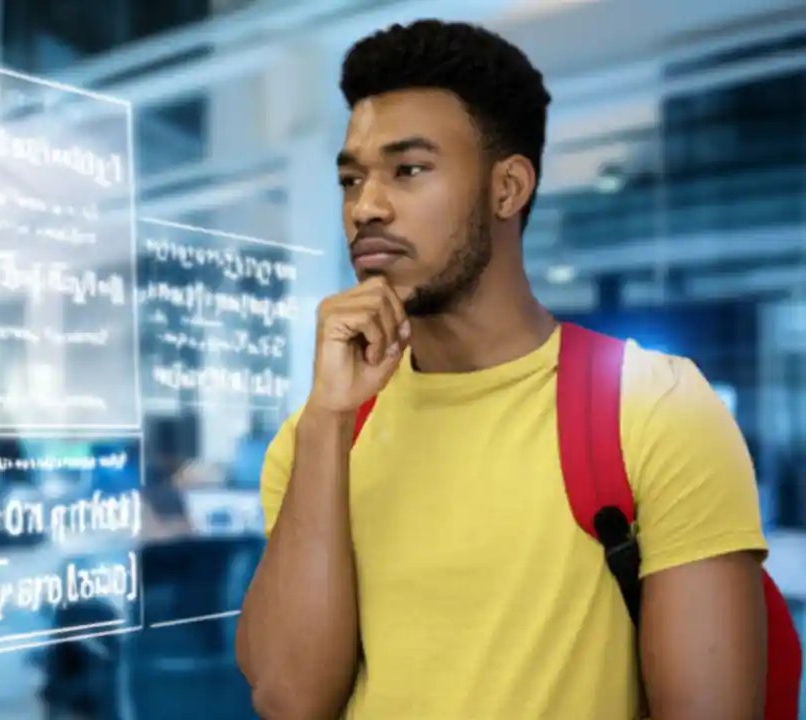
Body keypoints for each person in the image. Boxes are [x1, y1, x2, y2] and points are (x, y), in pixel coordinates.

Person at [235, 19, 768, 720]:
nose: (365, 205)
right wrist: (329, 420)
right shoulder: (319, 437)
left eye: (409, 169)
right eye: (351, 178)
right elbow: (288, 699)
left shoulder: (655, 410)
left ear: (508, 188)